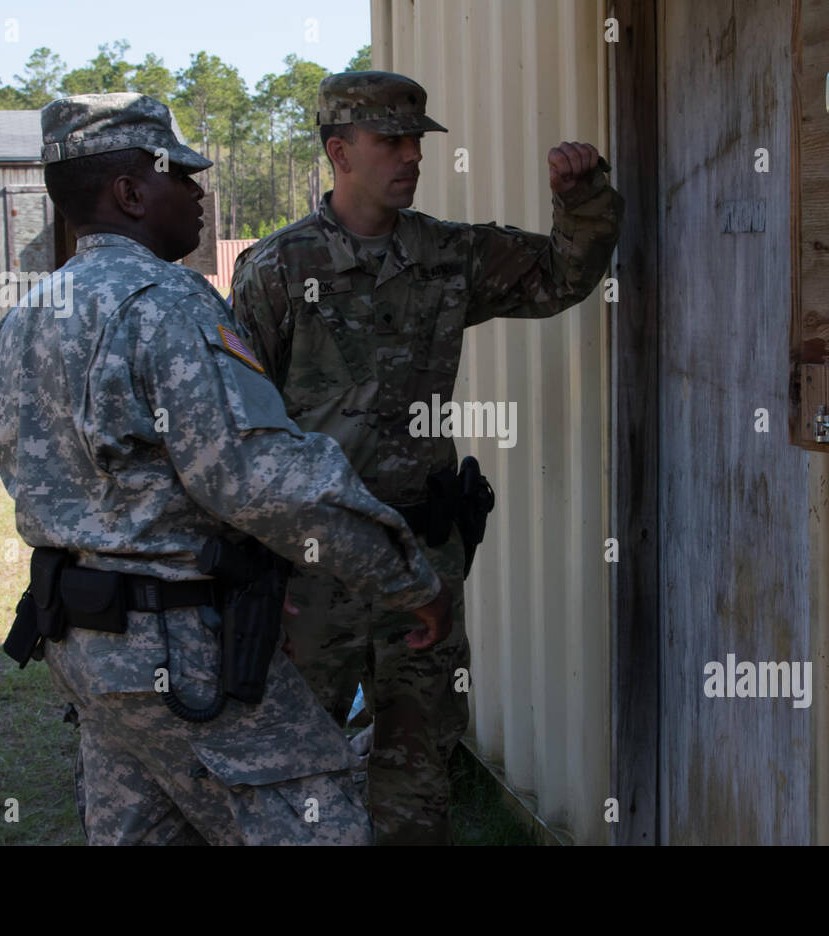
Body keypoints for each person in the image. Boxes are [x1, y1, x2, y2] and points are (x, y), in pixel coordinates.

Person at [0, 92, 453, 846]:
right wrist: (405, 577)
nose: (199, 193)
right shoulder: (166, 304)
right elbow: (257, 476)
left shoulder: (24, 317)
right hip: (182, 653)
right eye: (182, 178)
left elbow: (108, 483)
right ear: (131, 194)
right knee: (320, 823)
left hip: (86, 645)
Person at [232, 70, 623, 844]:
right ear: (340, 151)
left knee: (418, 763)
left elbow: (559, 277)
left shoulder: (446, 255)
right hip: (318, 569)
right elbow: (244, 429)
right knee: (298, 767)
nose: (412, 155)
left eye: (417, 140)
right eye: (391, 141)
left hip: (421, 561)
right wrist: (258, 567)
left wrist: (582, 199)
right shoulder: (278, 271)